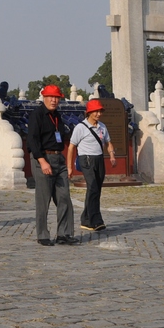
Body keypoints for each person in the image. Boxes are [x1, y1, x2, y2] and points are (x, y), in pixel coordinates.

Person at [27, 84, 76, 246]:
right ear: (44, 97)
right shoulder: (37, 115)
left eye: (57, 97)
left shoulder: (57, 116)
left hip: (58, 158)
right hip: (43, 158)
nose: (54, 100)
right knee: (43, 199)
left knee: (64, 197)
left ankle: (64, 233)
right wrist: (42, 161)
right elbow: (32, 140)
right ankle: (42, 235)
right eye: (51, 97)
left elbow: (64, 137)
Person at [68, 98, 117, 232]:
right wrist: (69, 167)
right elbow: (71, 147)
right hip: (86, 159)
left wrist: (112, 155)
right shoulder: (80, 127)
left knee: (96, 189)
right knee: (93, 187)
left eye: (100, 111)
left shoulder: (102, 126)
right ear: (89, 112)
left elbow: (108, 142)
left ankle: (86, 219)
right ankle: (95, 220)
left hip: (99, 159)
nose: (98, 114)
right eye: (95, 111)